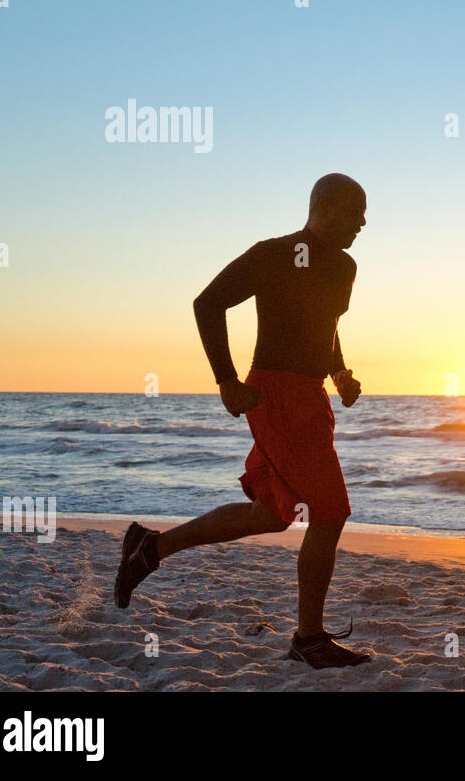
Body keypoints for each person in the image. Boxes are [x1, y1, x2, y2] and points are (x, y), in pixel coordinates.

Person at [113, 173, 371, 670]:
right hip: (273, 392)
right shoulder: (274, 253)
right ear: (324, 206)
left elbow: (329, 328)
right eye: (355, 210)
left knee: (273, 515)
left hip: (310, 396)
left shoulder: (344, 266)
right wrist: (226, 380)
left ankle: (151, 547)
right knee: (330, 512)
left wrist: (340, 372)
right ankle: (309, 639)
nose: (363, 221)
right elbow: (207, 303)